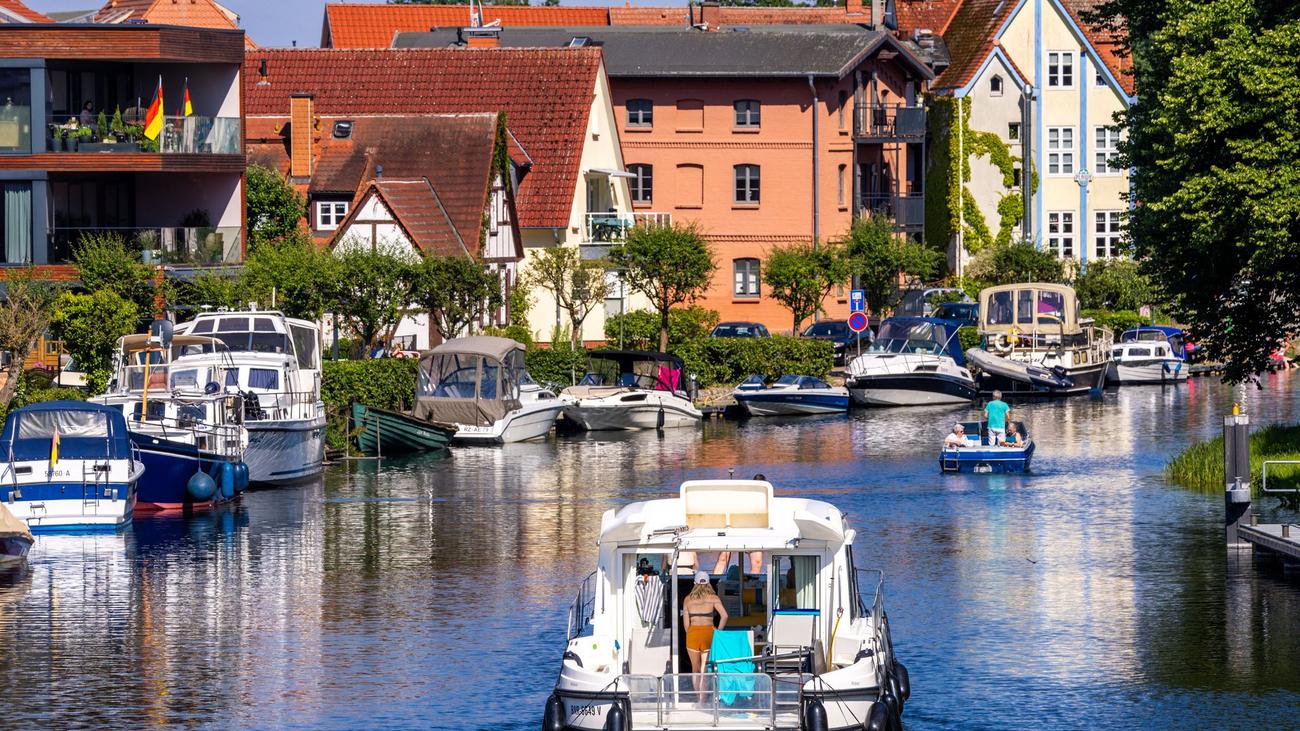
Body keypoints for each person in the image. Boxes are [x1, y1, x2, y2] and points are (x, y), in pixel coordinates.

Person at [682, 571, 728, 675]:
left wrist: (689, 633)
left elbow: (686, 623)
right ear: (708, 583)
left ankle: (697, 692)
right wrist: (718, 632)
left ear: (695, 583)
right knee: (704, 666)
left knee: (695, 668)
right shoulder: (713, 598)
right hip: (708, 632)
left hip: (693, 632)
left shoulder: (688, 599)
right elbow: (724, 616)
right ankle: (703, 691)